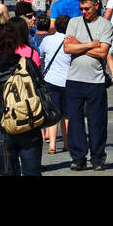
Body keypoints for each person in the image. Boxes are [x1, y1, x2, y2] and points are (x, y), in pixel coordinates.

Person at [0, 20, 45, 176]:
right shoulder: (27, 63)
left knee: (7, 171)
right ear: (17, 41)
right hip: (29, 122)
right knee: (32, 171)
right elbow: (41, 88)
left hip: (3, 124)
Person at [63, 0, 113, 171]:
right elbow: (67, 48)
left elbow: (103, 53)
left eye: (87, 9)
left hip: (96, 80)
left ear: (96, 6)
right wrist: (91, 44)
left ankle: (98, 158)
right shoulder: (73, 22)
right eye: (82, 9)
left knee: (97, 121)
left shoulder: (105, 25)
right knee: (75, 121)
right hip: (74, 79)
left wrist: (80, 45)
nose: (84, 12)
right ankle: (78, 157)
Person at [36, 13, 70, 154]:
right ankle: (67, 143)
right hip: (68, 79)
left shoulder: (47, 40)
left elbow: (41, 57)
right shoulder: (72, 41)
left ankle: (52, 145)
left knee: (53, 113)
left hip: (51, 79)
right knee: (66, 115)